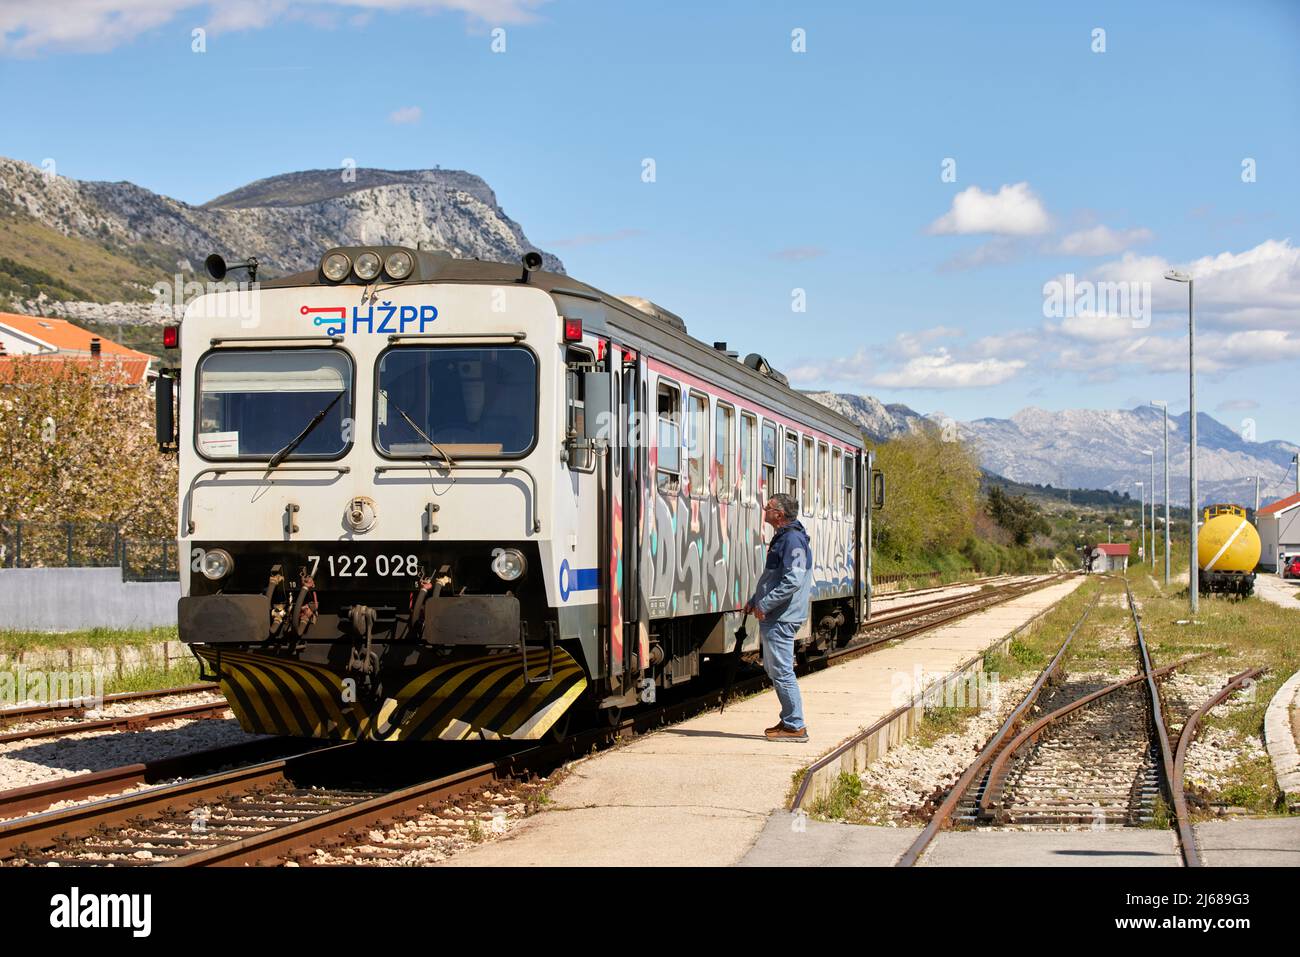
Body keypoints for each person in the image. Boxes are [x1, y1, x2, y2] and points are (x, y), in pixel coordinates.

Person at [745, 492, 812, 742]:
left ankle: (795, 726)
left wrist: (765, 603)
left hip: (782, 616)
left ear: (780, 515)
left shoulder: (792, 540)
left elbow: (792, 580)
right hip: (778, 613)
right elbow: (773, 578)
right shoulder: (784, 538)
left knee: (782, 671)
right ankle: (789, 720)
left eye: (769, 507)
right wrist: (755, 600)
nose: (765, 510)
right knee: (777, 670)